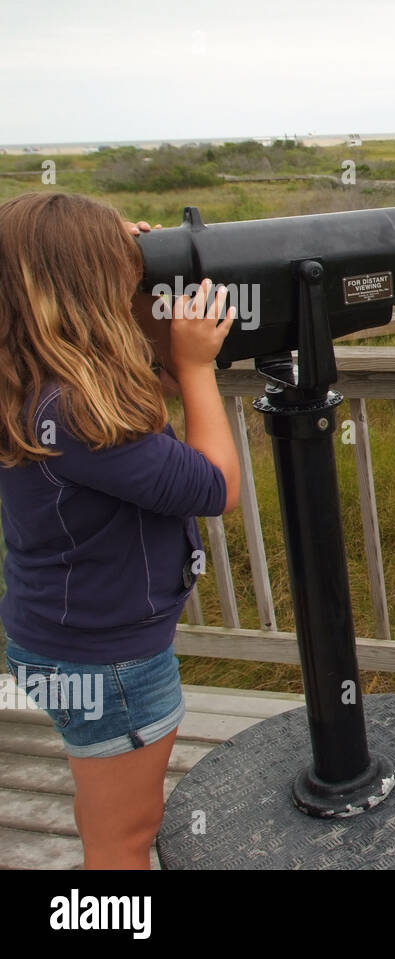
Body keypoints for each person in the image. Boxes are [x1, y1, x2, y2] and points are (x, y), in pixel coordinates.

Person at [0, 191, 239, 867]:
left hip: (50, 639)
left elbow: (107, 379)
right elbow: (216, 486)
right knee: (126, 838)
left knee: (102, 802)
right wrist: (195, 367)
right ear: (92, 288)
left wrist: (120, 264)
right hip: (111, 665)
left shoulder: (28, 380)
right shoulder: (84, 413)